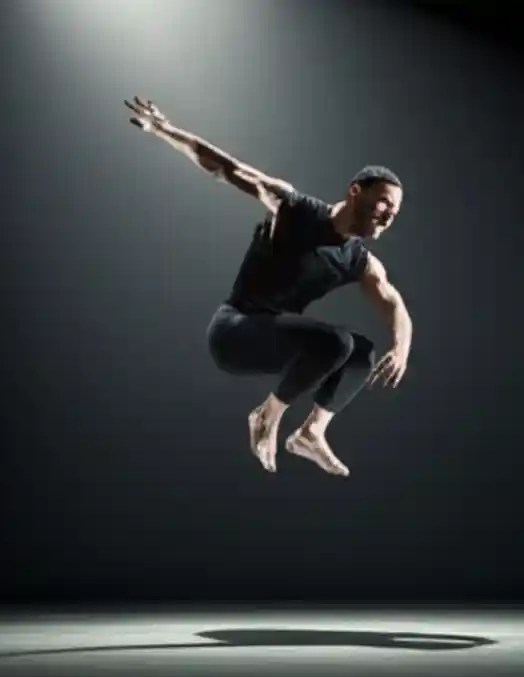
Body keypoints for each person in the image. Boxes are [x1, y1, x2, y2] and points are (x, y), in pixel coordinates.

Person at [125, 96, 413, 476]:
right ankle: (267, 416)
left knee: (362, 353)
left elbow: (393, 302)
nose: (388, 216)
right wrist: (163, 129)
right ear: (356, 191)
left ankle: (311, 433)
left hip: (273, 340)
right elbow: (224, 168)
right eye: (383, 204)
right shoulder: (295, 208)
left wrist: (402, 346)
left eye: (394, 213)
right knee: (337, 343)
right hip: (233, 330)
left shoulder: (359, 260)